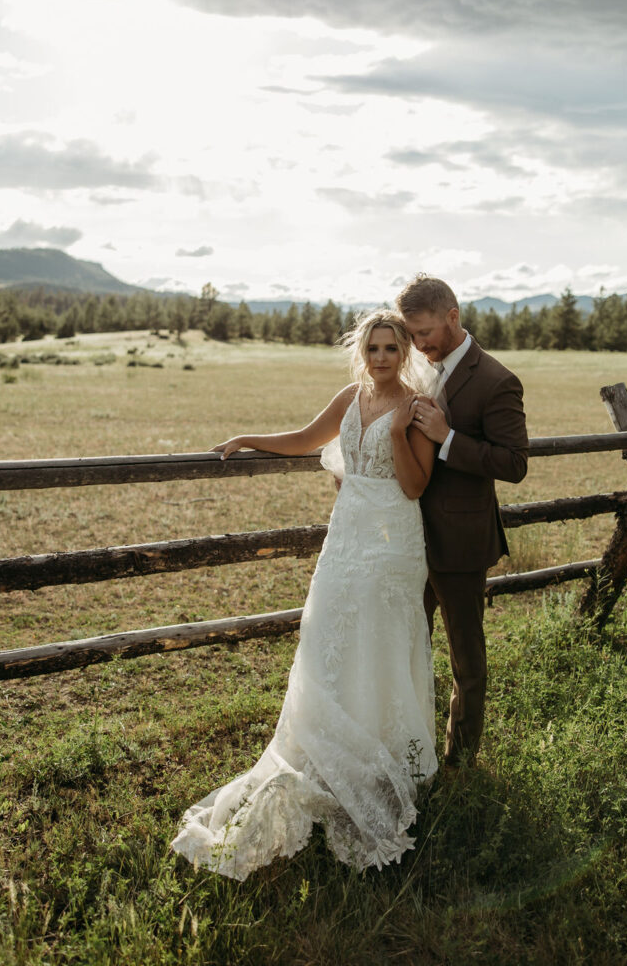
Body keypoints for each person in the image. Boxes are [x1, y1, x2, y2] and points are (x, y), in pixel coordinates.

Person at [171, 311, 438, 880]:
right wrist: (247, 438)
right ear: (361, 351)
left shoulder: (415, 407)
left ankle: (384, 757)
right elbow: (303, 439)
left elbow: (416, 486)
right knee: (327, 635)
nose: (382, 357)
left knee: (381, 641)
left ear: (406, 352)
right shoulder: (349, 395)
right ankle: (326, 741)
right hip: (345, 539)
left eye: (392, 348)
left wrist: (396, 433)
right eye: (374, 347)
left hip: (392, 541)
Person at [396, 275, 528, 770]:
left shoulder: (496, 379)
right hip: (405, 538)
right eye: (411, 334)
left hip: (460, 543)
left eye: (425, 331)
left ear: (453, 316)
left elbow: (514, 463)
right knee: (406, 647)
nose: (418, 343)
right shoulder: (413, 366)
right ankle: (409, 752)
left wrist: (448, 439)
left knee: (465, 662)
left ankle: (459, 764)